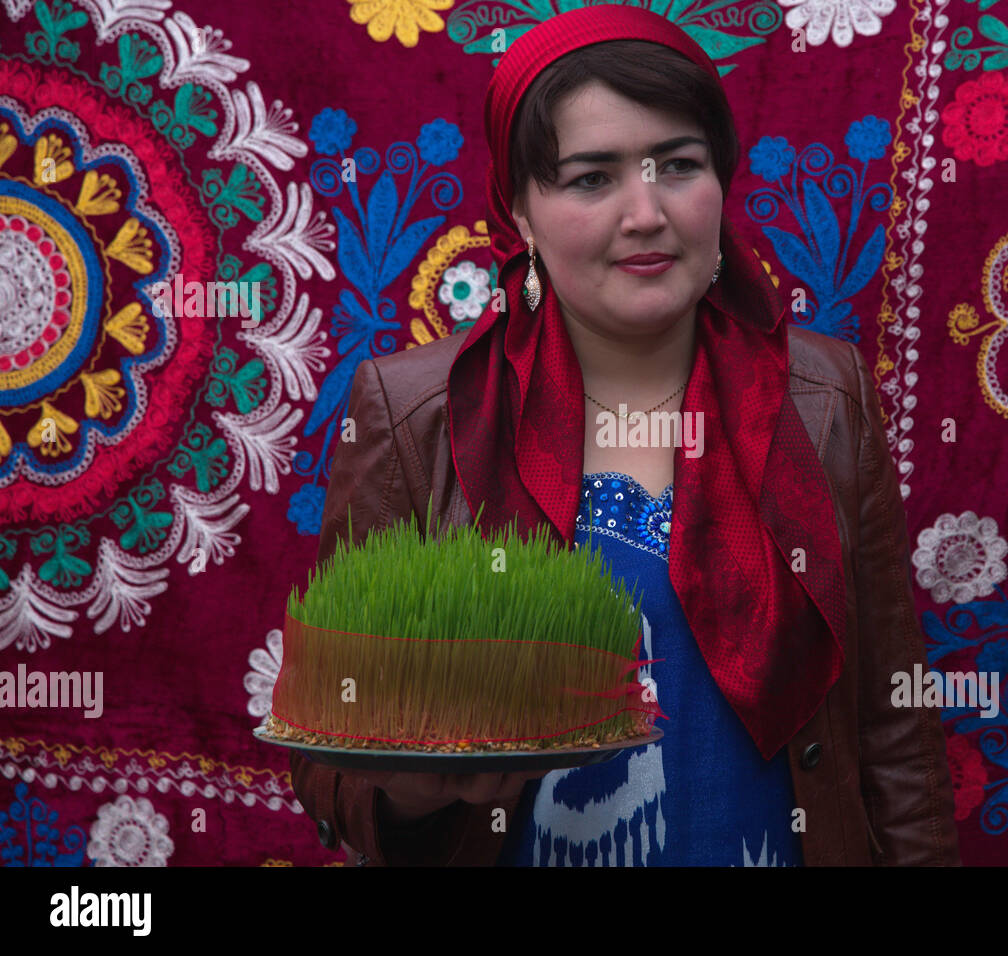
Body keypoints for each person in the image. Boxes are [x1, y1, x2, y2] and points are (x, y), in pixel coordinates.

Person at [290, 4, 960, 866]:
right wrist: (411, 787)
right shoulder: (417, 411)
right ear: (521, 212)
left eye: (677, 165)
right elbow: (326, 745)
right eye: (591, 178)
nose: (646, 213)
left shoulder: (828, 399)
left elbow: (893, 730)